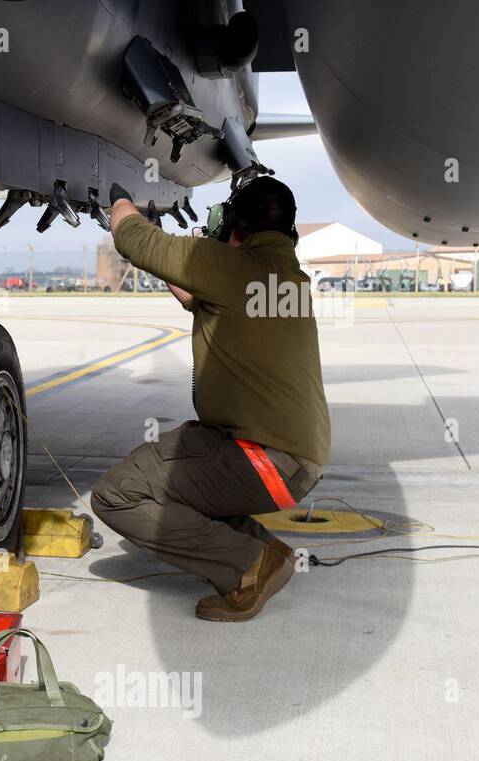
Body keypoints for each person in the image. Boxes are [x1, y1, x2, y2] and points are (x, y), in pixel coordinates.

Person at [91, 176, 330, 622]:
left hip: (261, 460)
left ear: (234, 225)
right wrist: (177, 255)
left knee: (117, 495)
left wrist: (119, 201)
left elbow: (132, 237)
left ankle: (248, 566)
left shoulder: (228, 268)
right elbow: (194, 292)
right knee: (185, 459)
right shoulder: (288, 280)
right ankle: (262, 550)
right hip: (297, 463)